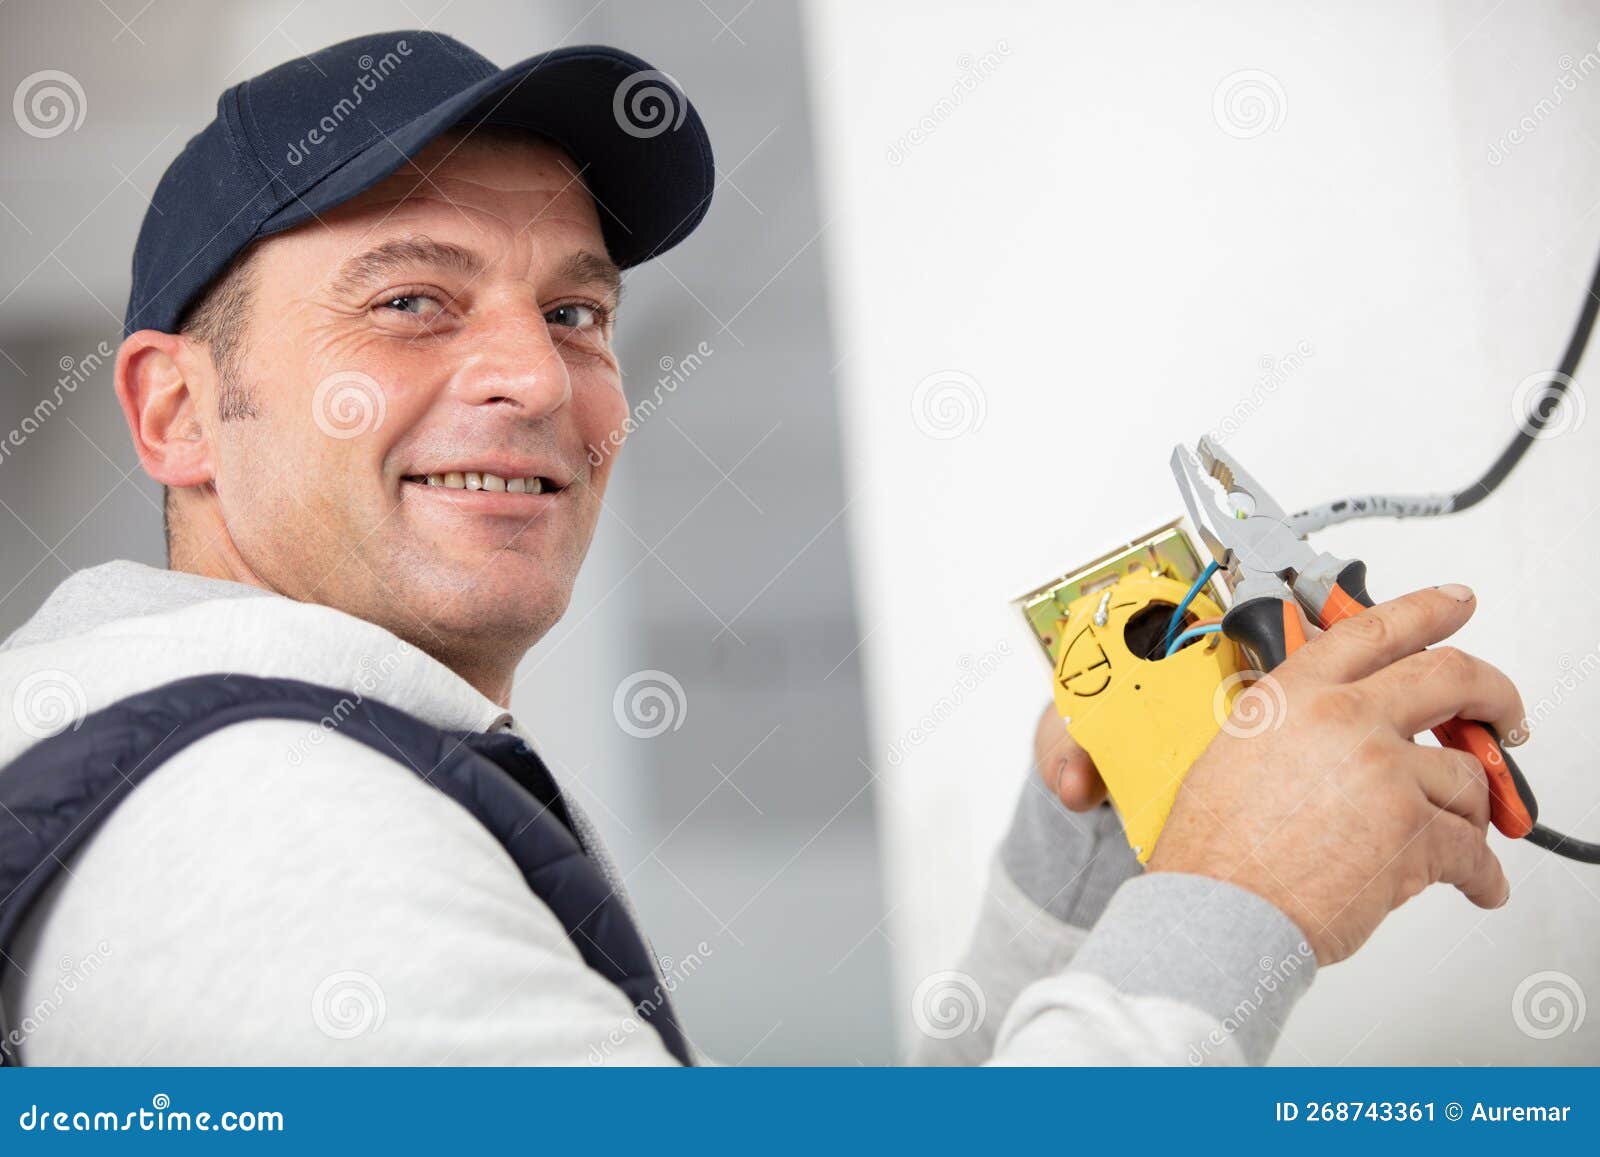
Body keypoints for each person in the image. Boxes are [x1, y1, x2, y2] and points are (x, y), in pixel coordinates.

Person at [0, 31, 1524, 1065]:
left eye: (576, 312)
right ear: (177, 410)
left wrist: (1101, 876)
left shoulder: (269, 758)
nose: (537, 377)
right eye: (413, 300)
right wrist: (1238, 904)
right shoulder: (259, 827)